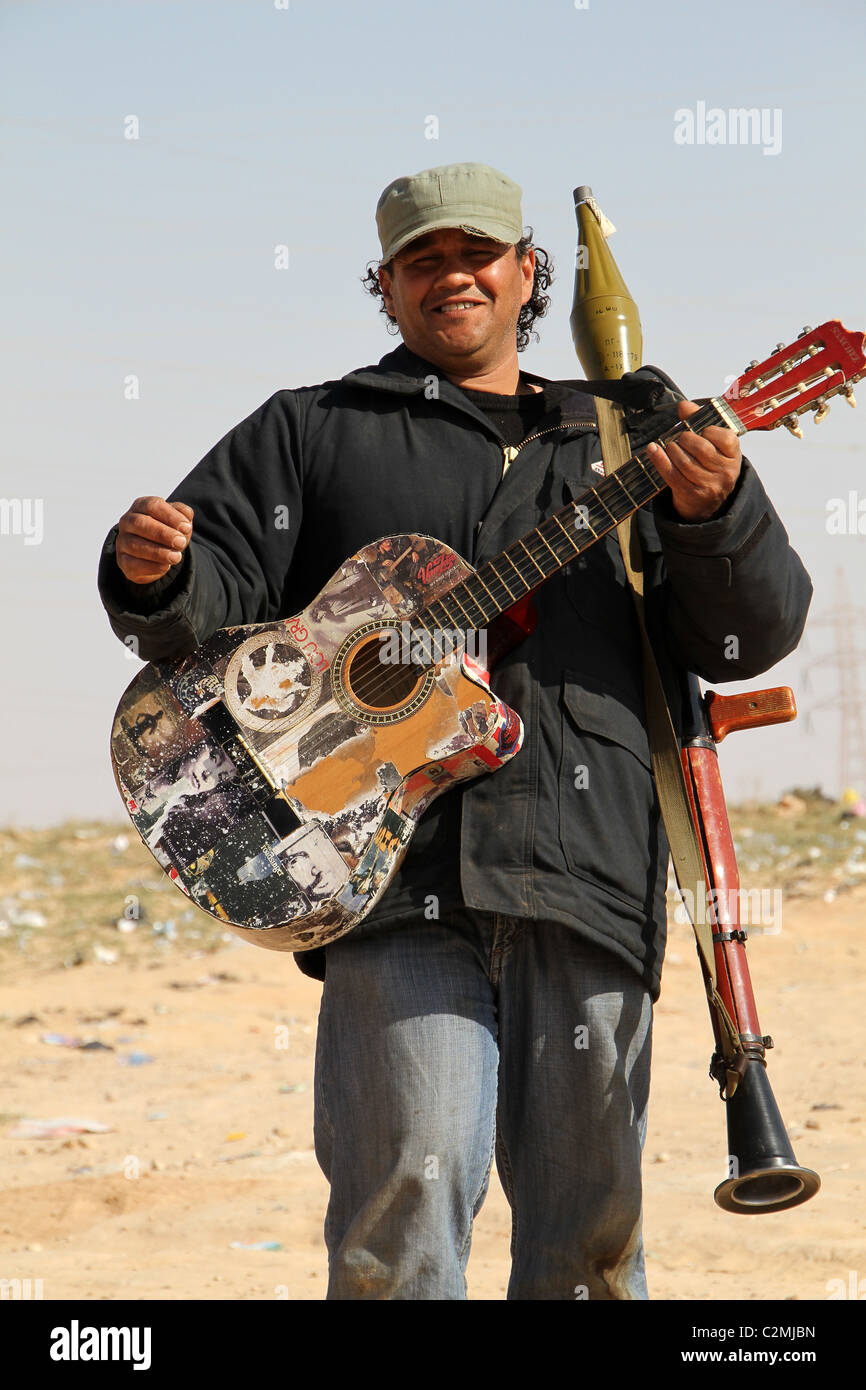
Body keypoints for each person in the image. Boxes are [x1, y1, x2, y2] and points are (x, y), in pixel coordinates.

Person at [98, 162, 812, 1300]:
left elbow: (745, 639)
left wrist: (710, 512)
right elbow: (206, 608)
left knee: (589, 1241)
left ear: (527, 273)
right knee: (401, 1217)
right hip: (387, 884)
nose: (452, 275)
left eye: (476, 253)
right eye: (420, 259)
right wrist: (159, 572)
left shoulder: (630, 435)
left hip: (587, 881)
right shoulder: (312, 431)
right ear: (383, 285)